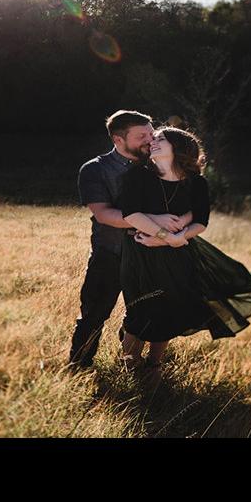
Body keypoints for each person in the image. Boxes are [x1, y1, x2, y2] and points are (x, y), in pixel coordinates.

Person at [118, 126, 251, 372]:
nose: (153, 141)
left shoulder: (196, 183)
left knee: (169, 309)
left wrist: (175, 238)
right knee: (140, 311)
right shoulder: (137, 175)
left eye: (160, 139)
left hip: (179, 254)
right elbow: (131, 214)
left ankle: (154, 365)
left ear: (178, 148)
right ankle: (128, 367)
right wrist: (164, 235)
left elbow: (201, 222)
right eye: (154, 138)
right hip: (141, 253)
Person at [69, 110, 194, 369]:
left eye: (151, 133)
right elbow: (104, 214)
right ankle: (79, 367)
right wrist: (152, 218)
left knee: (146, 314)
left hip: (151, 255)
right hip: (110, 254)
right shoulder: (95, 170)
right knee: (93, 314)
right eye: (141, 136)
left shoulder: (159, 163)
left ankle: (131, 364)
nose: (150, 140)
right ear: (118, 139)